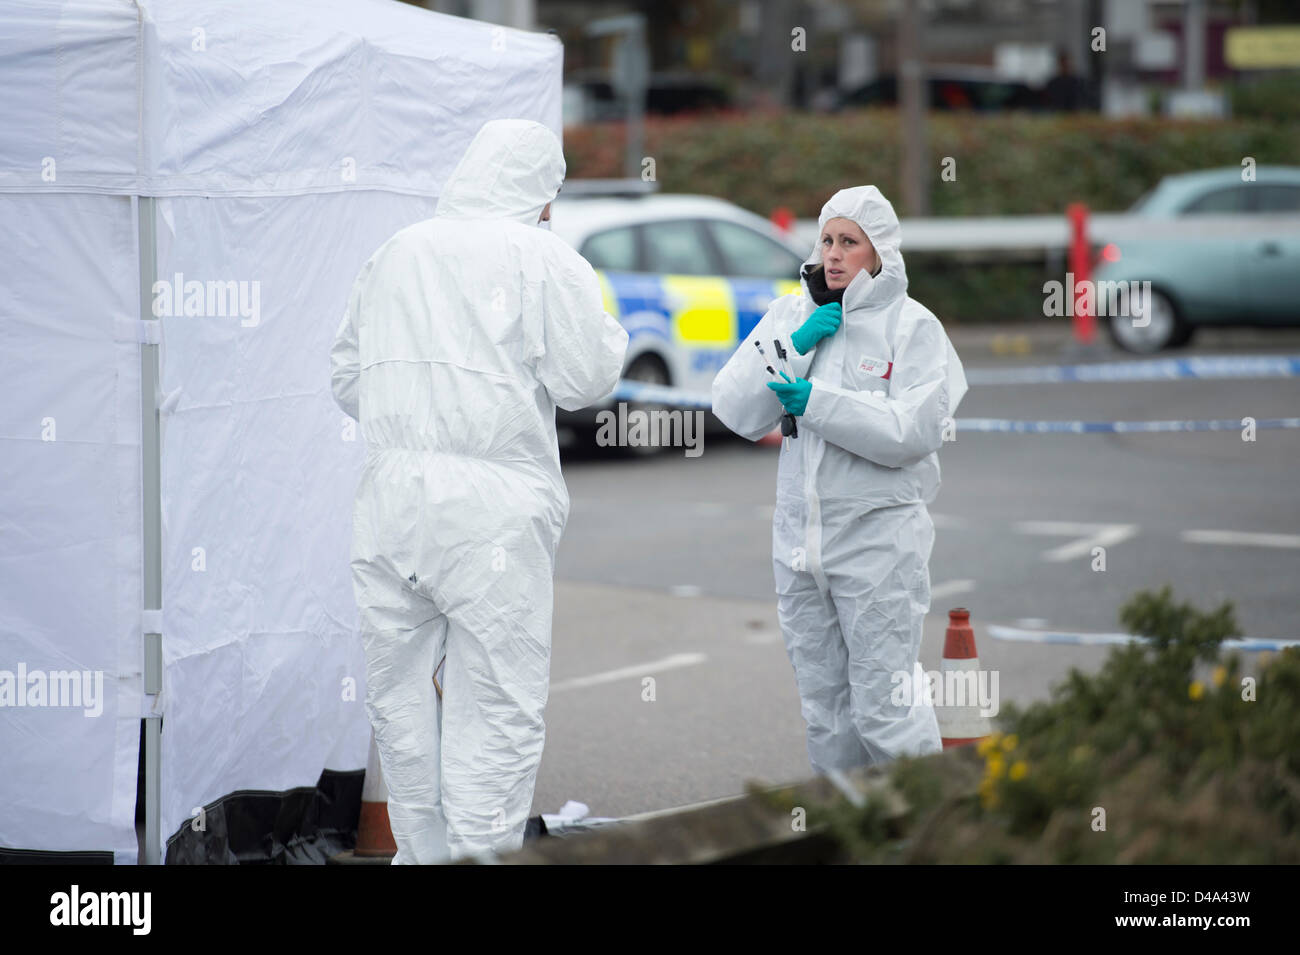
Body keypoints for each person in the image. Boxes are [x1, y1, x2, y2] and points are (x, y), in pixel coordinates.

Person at [330, 119, 628, 862]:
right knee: (495, 704)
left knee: (399, 703)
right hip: (491, 512)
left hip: (390, 506)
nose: (551, 209)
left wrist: (416, 411)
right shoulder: (543, 259)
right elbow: (585, 380)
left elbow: (345, 378)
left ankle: (421, 854)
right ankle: (478, 855)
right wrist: (610, 332)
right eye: (550, 193)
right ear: (535, 186)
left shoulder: (397, 251)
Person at [711, 185, 968, 775]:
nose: (832, 253)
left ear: (879, 253)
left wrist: (817, 401)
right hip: (800, 547)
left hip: (878, 545)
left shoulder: (913, 327)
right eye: (826, 239)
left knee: (885, 709)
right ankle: (846, 834)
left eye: (849, 242)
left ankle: (933, 829)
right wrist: (793, 348)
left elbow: (913, 431)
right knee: (827, 712)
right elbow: (734, 409)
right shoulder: (791, 314)